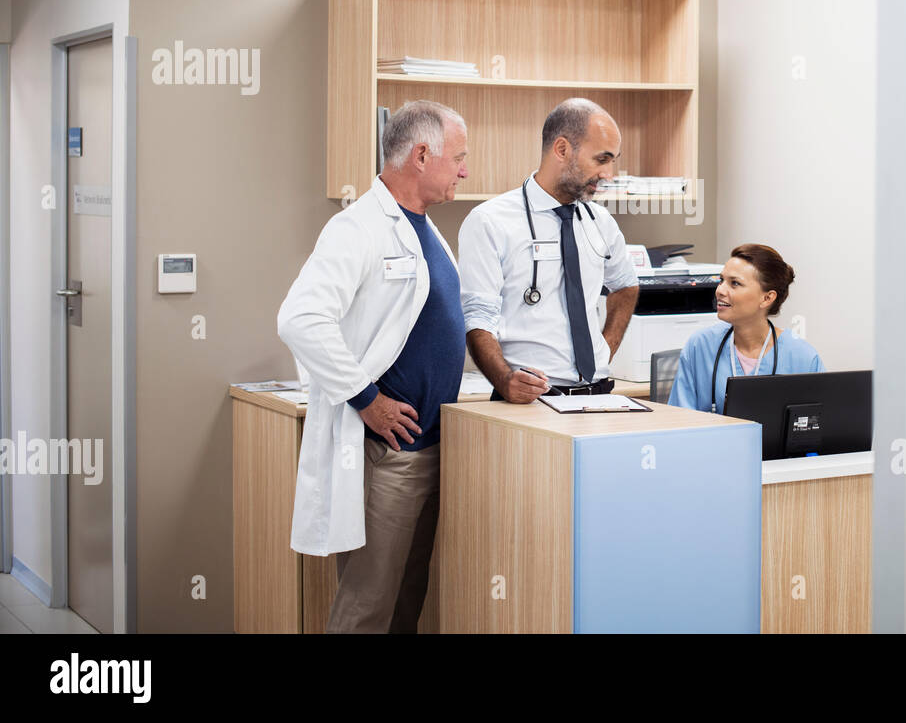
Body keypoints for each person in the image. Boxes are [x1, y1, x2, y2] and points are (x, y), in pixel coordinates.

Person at [277, 100, 468, 633]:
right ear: (422, 154)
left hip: (430, 447)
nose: (465, 170)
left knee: (407, 603)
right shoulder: (357, 227)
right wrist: (367, 399)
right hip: (390, 456)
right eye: (459, 157)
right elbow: (300, 319)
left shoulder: (426, 231)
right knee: (367, 608)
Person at [459, 98, 639, 402]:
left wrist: (604, 349)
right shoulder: (490, 221)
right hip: (531, 399)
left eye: (613, 160)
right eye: (601, 159)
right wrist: (505, 380)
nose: (609, 173)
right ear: (562, 149)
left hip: (598, 397)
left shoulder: (601, 221)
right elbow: (477, 319)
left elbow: (625, 286)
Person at [667, 244, 823, 413]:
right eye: (721, 280)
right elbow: (680, 420)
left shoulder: (803, 357)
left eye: (734, 283)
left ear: (767, 298)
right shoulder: (700, 346)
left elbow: (819, 426)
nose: (720, 290)